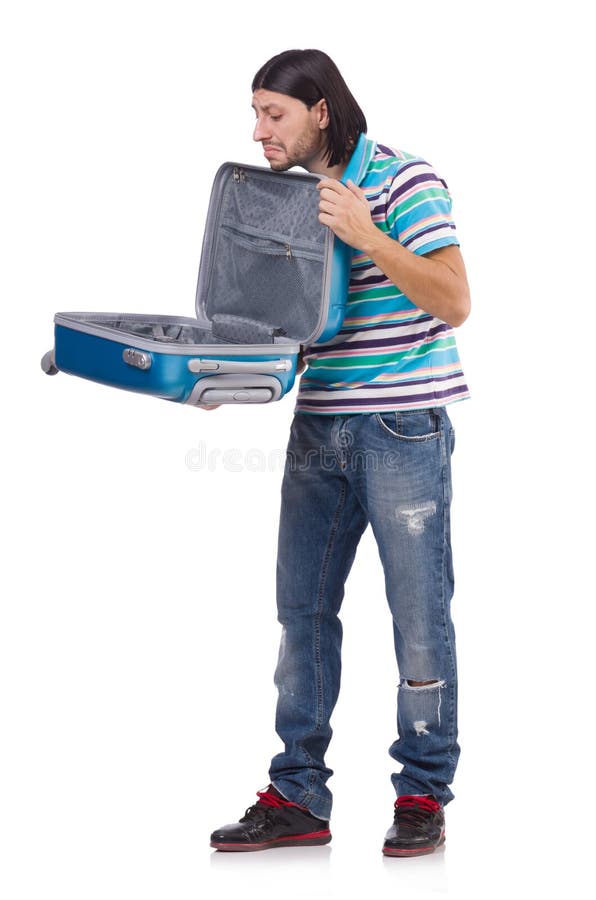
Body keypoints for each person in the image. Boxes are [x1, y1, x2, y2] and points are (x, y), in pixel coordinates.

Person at [207, 49, 471, 857]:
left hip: (401, 428)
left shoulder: (402, 180)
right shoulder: (282, 201)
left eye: (272, 113)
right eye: (254, 114)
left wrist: (365, 232)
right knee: (303, 617)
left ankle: (422, 793)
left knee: (418, 621)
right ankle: (298, 797)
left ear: (320, 109)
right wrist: (222, 374)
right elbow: (295, 325)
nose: (259, 132)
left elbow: (455, 299)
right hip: (319, 424)